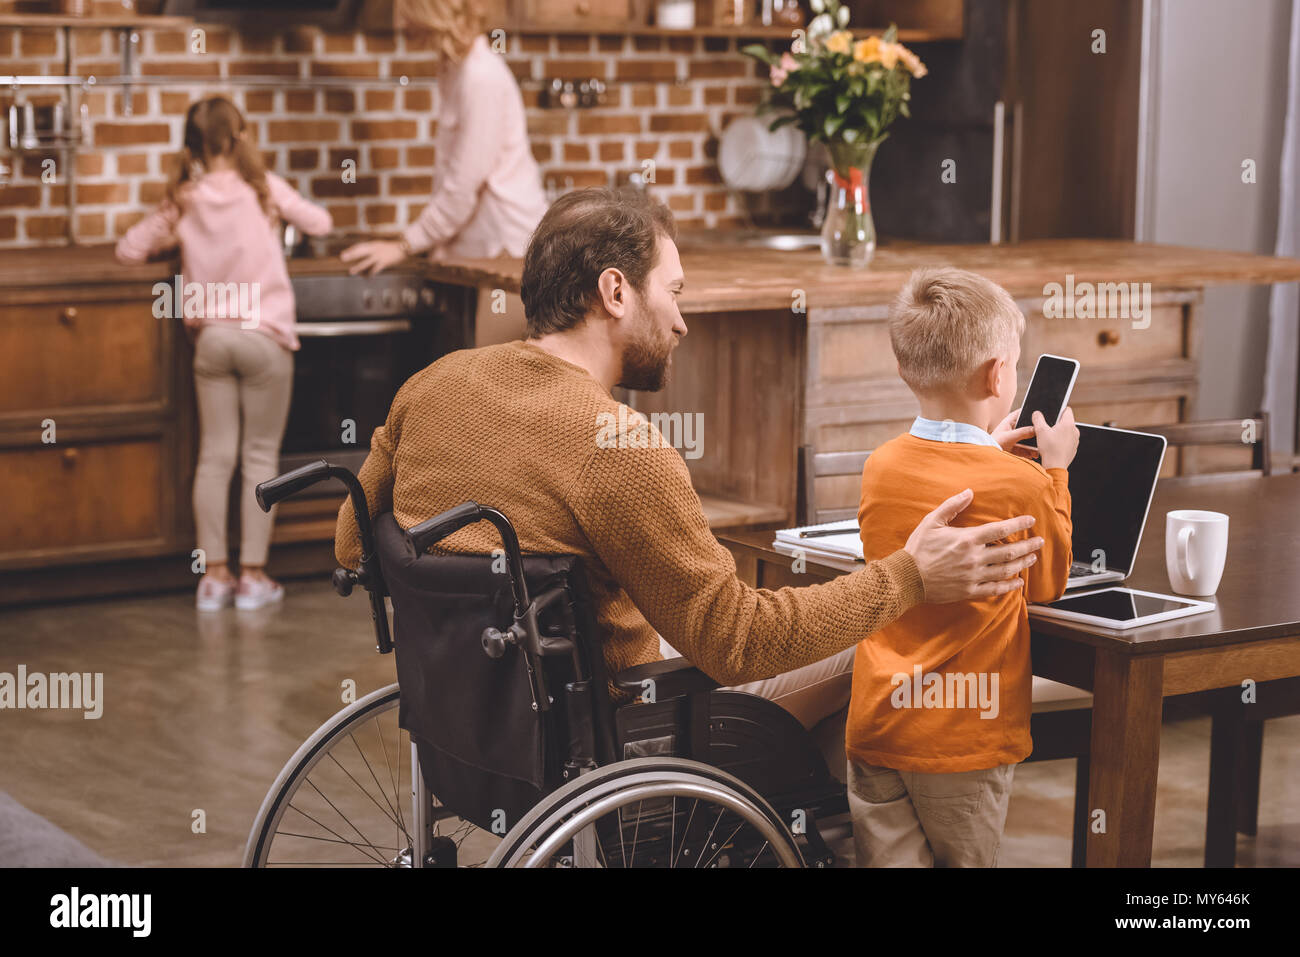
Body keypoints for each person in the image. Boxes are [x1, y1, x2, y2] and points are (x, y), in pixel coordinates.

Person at [335, 187, 1045, 727]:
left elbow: (350, 543)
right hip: (632, 726)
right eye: (672, 292)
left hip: (476, 725)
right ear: (615, 292)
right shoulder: (617, 447)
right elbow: (736, 642)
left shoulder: (432, 383)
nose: (680, 319)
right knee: (881, 642)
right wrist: (908, 578)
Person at [848, 266, 1079, 867]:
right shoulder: (1023, 483)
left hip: (880, 722)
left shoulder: (881, 465)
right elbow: (1049, 583)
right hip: (964, 739)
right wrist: (1053, 470)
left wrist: (982, 451)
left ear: (904, 368)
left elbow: (936, 489)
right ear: (1000, 375)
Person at [116, 96, 332, 612]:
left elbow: (128, 248)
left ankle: (212, 577)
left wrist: (175, 242)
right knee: (259, 456)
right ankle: (253, 578)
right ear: (241, 139)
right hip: (264, 337)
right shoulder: (264, 190)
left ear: (191, 146)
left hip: (211, 340)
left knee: (214, 457)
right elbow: (320, 224)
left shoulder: (186, 198)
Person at [340, 0, 547, 280]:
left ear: (432, 11)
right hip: (481, 246)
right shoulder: (456, 68)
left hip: (504, 247)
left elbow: (463, 187)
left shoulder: (480, 77)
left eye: (408, 11)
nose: (402, 23)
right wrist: (437, 243)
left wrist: (404, 245)